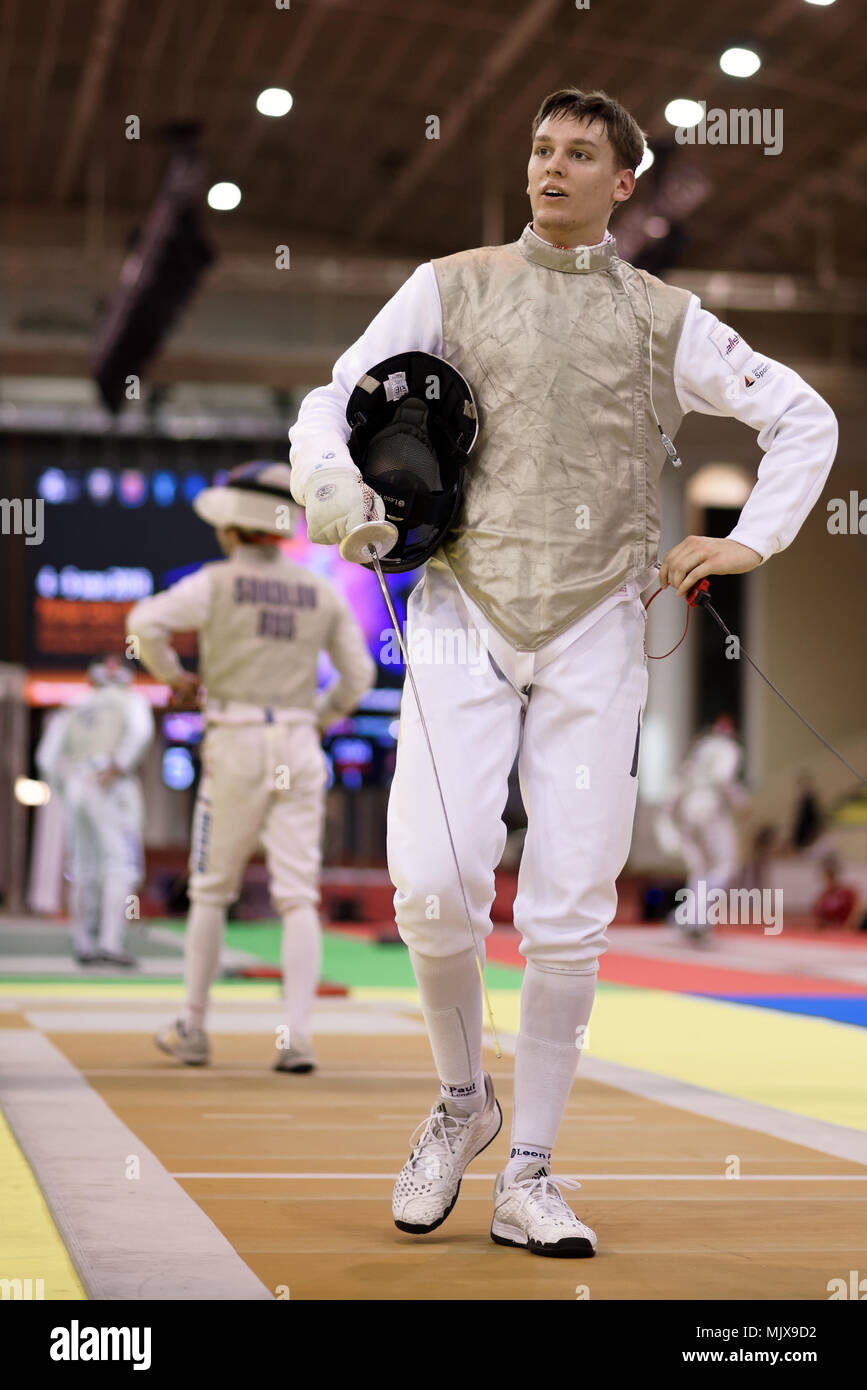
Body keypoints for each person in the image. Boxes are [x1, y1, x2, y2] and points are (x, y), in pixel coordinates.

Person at [288, 88, 838, 1256]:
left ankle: (531, 1168)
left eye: (581, 153)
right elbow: (332, 397)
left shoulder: (664, 315)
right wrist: (330, 486)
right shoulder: (454, 282)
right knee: (433, 888)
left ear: (623, 184)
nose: (554, 166)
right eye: (542, 148)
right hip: (459, 611)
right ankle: (460, 1102)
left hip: (598, 618)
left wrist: (752, 539)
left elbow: (804, 417)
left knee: (569, 915)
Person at [125, 462, 375, 1071]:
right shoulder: (320, 590)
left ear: (234, 527)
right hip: (295, 741)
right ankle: (297, 1039)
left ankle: (193, 1027)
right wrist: (316, 717)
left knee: (211, 890)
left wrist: (174, 678)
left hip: (235, 740)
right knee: (297, 897)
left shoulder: (215, 582)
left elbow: (143, 624)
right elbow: (359, 677)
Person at [36, 654, 154, 967]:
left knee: (82, 864)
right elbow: (140, 734)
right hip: (111, 785)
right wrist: (118, 766)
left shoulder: (74, 704)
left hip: (77, 782)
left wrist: (67, 788)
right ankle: (110, 943)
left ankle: (83, 943)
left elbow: (46, 759)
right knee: (122, 865)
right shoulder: (132, 700)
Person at [660, 714, 750, 942]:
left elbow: (677, 785)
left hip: (688, 811)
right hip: (710, 809)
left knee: (700, 870)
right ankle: (692, 917)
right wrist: (741, 801)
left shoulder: (700, 749)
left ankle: (687, 916)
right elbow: (723, 778)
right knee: (725, 866)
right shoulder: (727, 748)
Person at [812, 854, 861, 932]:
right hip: (831, 930)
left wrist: (848, 926)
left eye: (829, 877)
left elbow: (857, 909)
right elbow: (818, 915)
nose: (827, 881)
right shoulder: (824, 895)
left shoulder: (847, 892)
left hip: (845, 929)